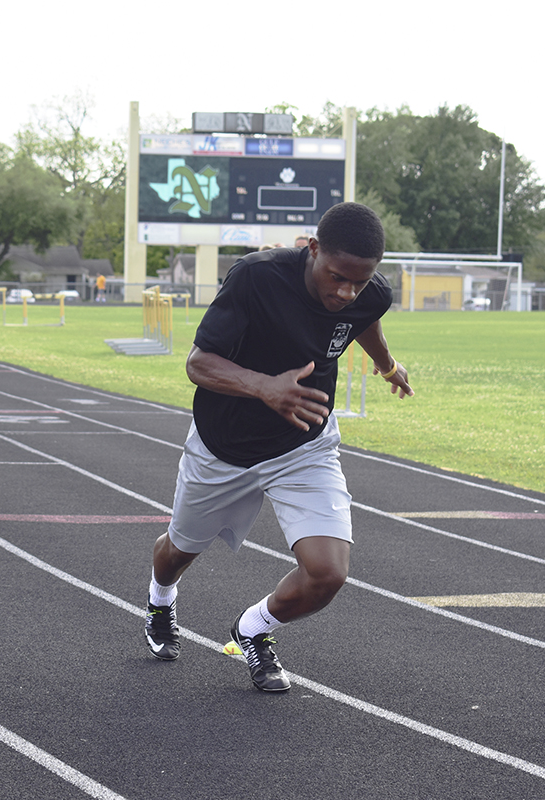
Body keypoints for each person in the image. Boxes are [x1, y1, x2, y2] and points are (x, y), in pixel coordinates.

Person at [143, 202, 414, 692]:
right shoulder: (255, 278)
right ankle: (161, 597)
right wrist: (265, 387)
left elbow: (363, 317)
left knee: (328, 573)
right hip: (225, 446)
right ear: (312, 250)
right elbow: (198, 363)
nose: (345, 291)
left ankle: (253, 630)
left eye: (359, 280)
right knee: (179, 550)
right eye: (336, 277)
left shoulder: (369, 293)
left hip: (303, 446)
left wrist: (388, 365)